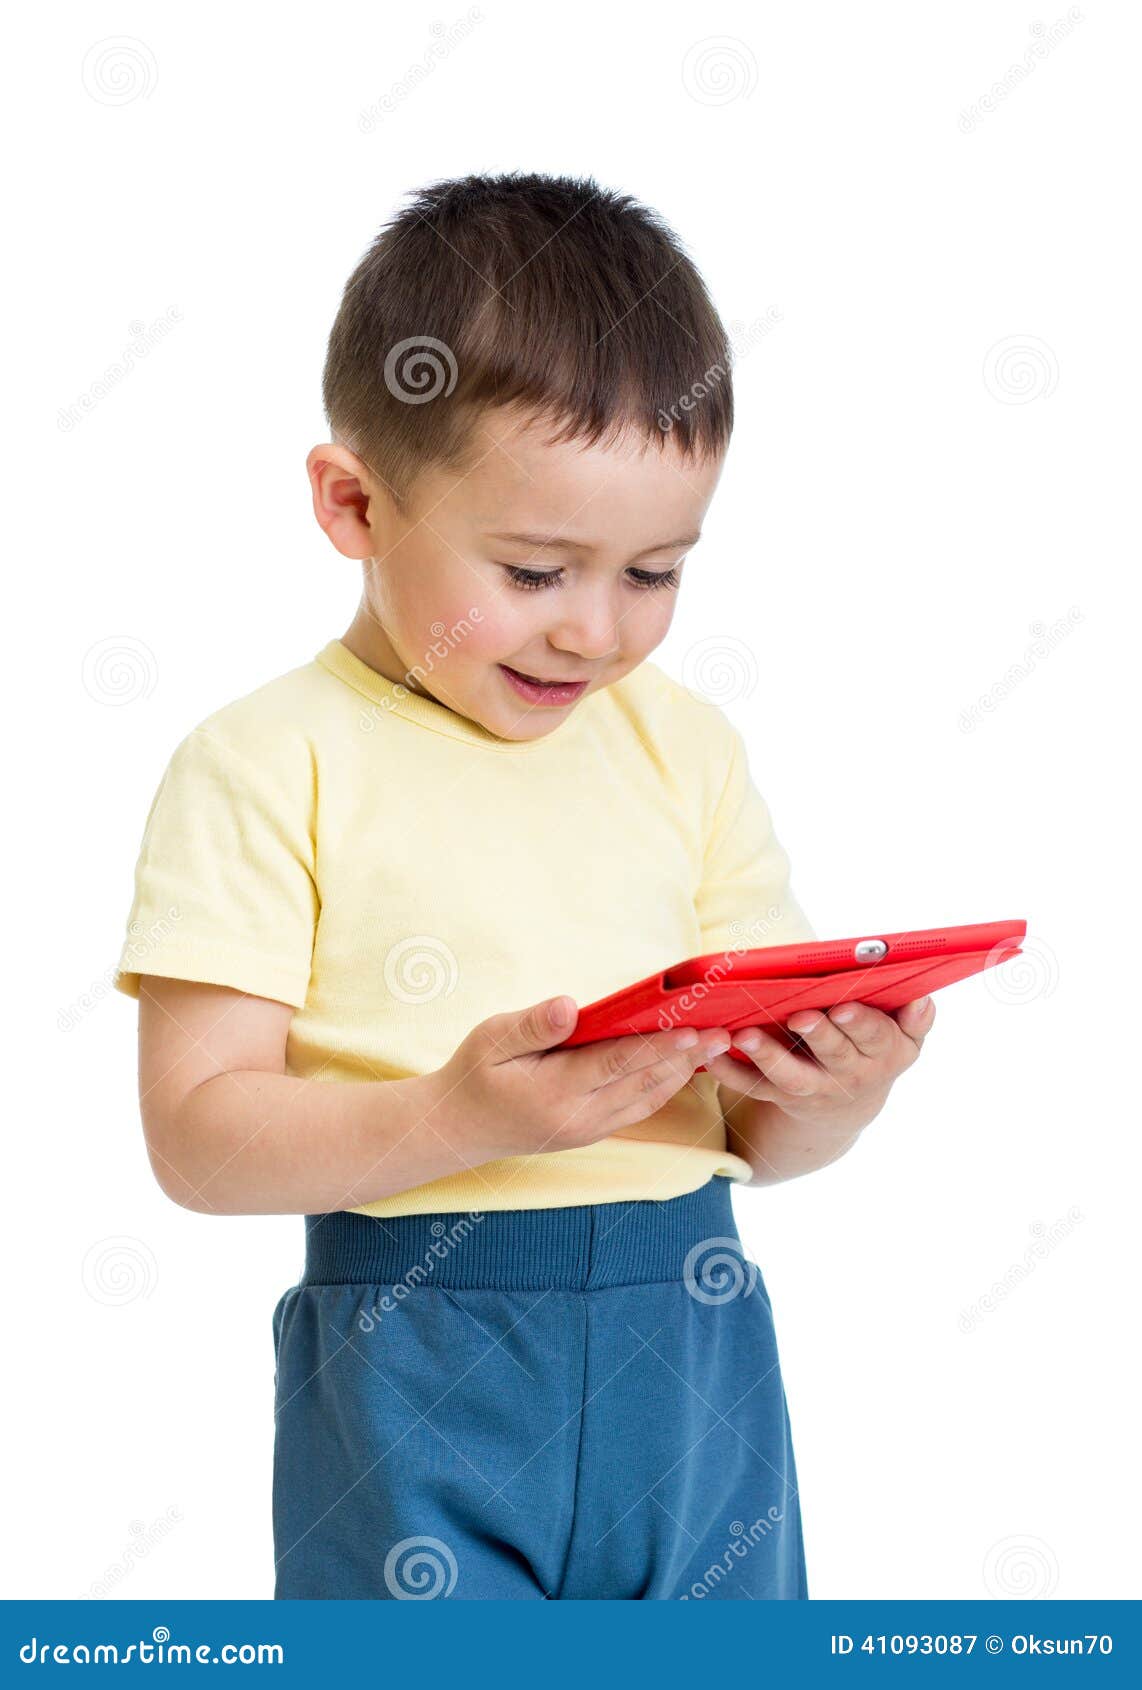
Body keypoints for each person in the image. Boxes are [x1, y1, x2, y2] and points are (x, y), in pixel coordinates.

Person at [113, 171, 935, 1601]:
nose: (597, 631)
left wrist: (834, 1087)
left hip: (696, 1347)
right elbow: (197, 1138)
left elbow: (752, 1134)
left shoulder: (681, 745)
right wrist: (454, 1113)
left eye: (655, 571)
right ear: (353, 502)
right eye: (537, 568)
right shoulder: (264, 764)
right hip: (416, 1353)